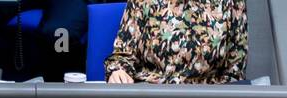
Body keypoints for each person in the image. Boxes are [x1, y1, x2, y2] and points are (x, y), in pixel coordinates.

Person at [105, 0, 247, 84]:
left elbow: (235, 71)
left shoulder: (231, 3)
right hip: (152, 97)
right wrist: (119, 71)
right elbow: (122, 55)